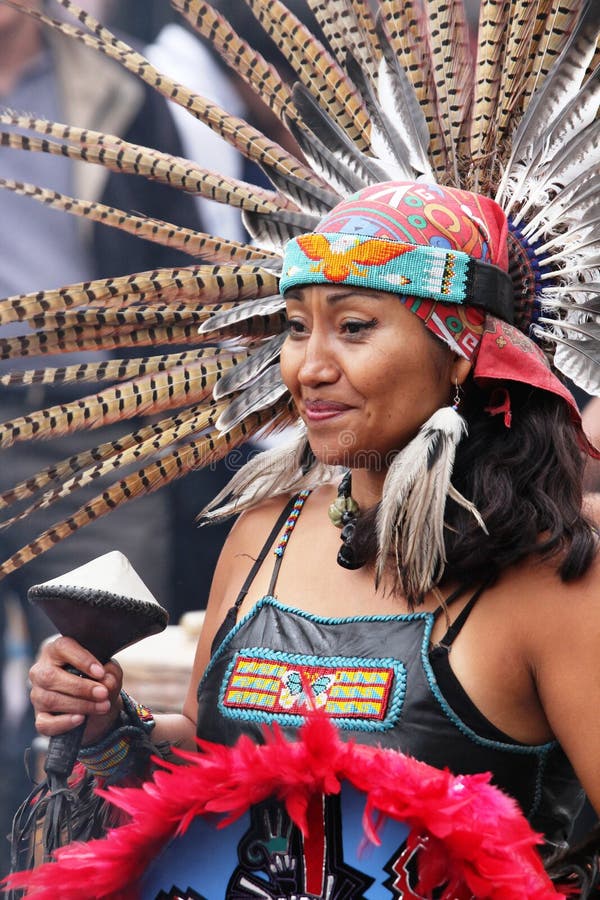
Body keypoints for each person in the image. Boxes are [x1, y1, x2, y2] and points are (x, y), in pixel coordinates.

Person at [3, 0, 600, 895]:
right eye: (293, 327)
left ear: (463, 348)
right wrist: (108, 728)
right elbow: (220, 773)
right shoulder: (266, 527)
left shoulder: (555, 576)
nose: (308, 367)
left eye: (354, 327)